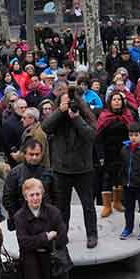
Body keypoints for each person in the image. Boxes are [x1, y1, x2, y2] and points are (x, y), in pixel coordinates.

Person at [14, 178, 75, 279]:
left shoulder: (53, 212)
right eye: (31, 195)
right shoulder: (20, 217)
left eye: (37, 194)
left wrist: (38, 241)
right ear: (25, 197)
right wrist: (46, 237)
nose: (35, 198)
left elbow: (63, 237)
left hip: (54, 259)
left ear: (43, 194)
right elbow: (23, 242)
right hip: (32, 261)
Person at [42, 92, 99, 248]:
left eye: (71, 102)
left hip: (83, 170)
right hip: (62, 170)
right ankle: (62, 234)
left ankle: (92, 234)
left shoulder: (85, 117)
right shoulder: (58, 118)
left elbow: (91, 135)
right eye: (65, 102)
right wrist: (59, 111)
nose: (68, 106)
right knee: (62, 206)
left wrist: (76, 117)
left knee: (88, 205)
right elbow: (45, 127)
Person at [119, 123, 140, 240]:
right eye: (131, 135)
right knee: (128, 208)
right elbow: (122, 166)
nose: (133, 137)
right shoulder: (124, 149)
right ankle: (128, 228)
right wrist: (122, 180)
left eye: (136, 135)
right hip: (128, 184)